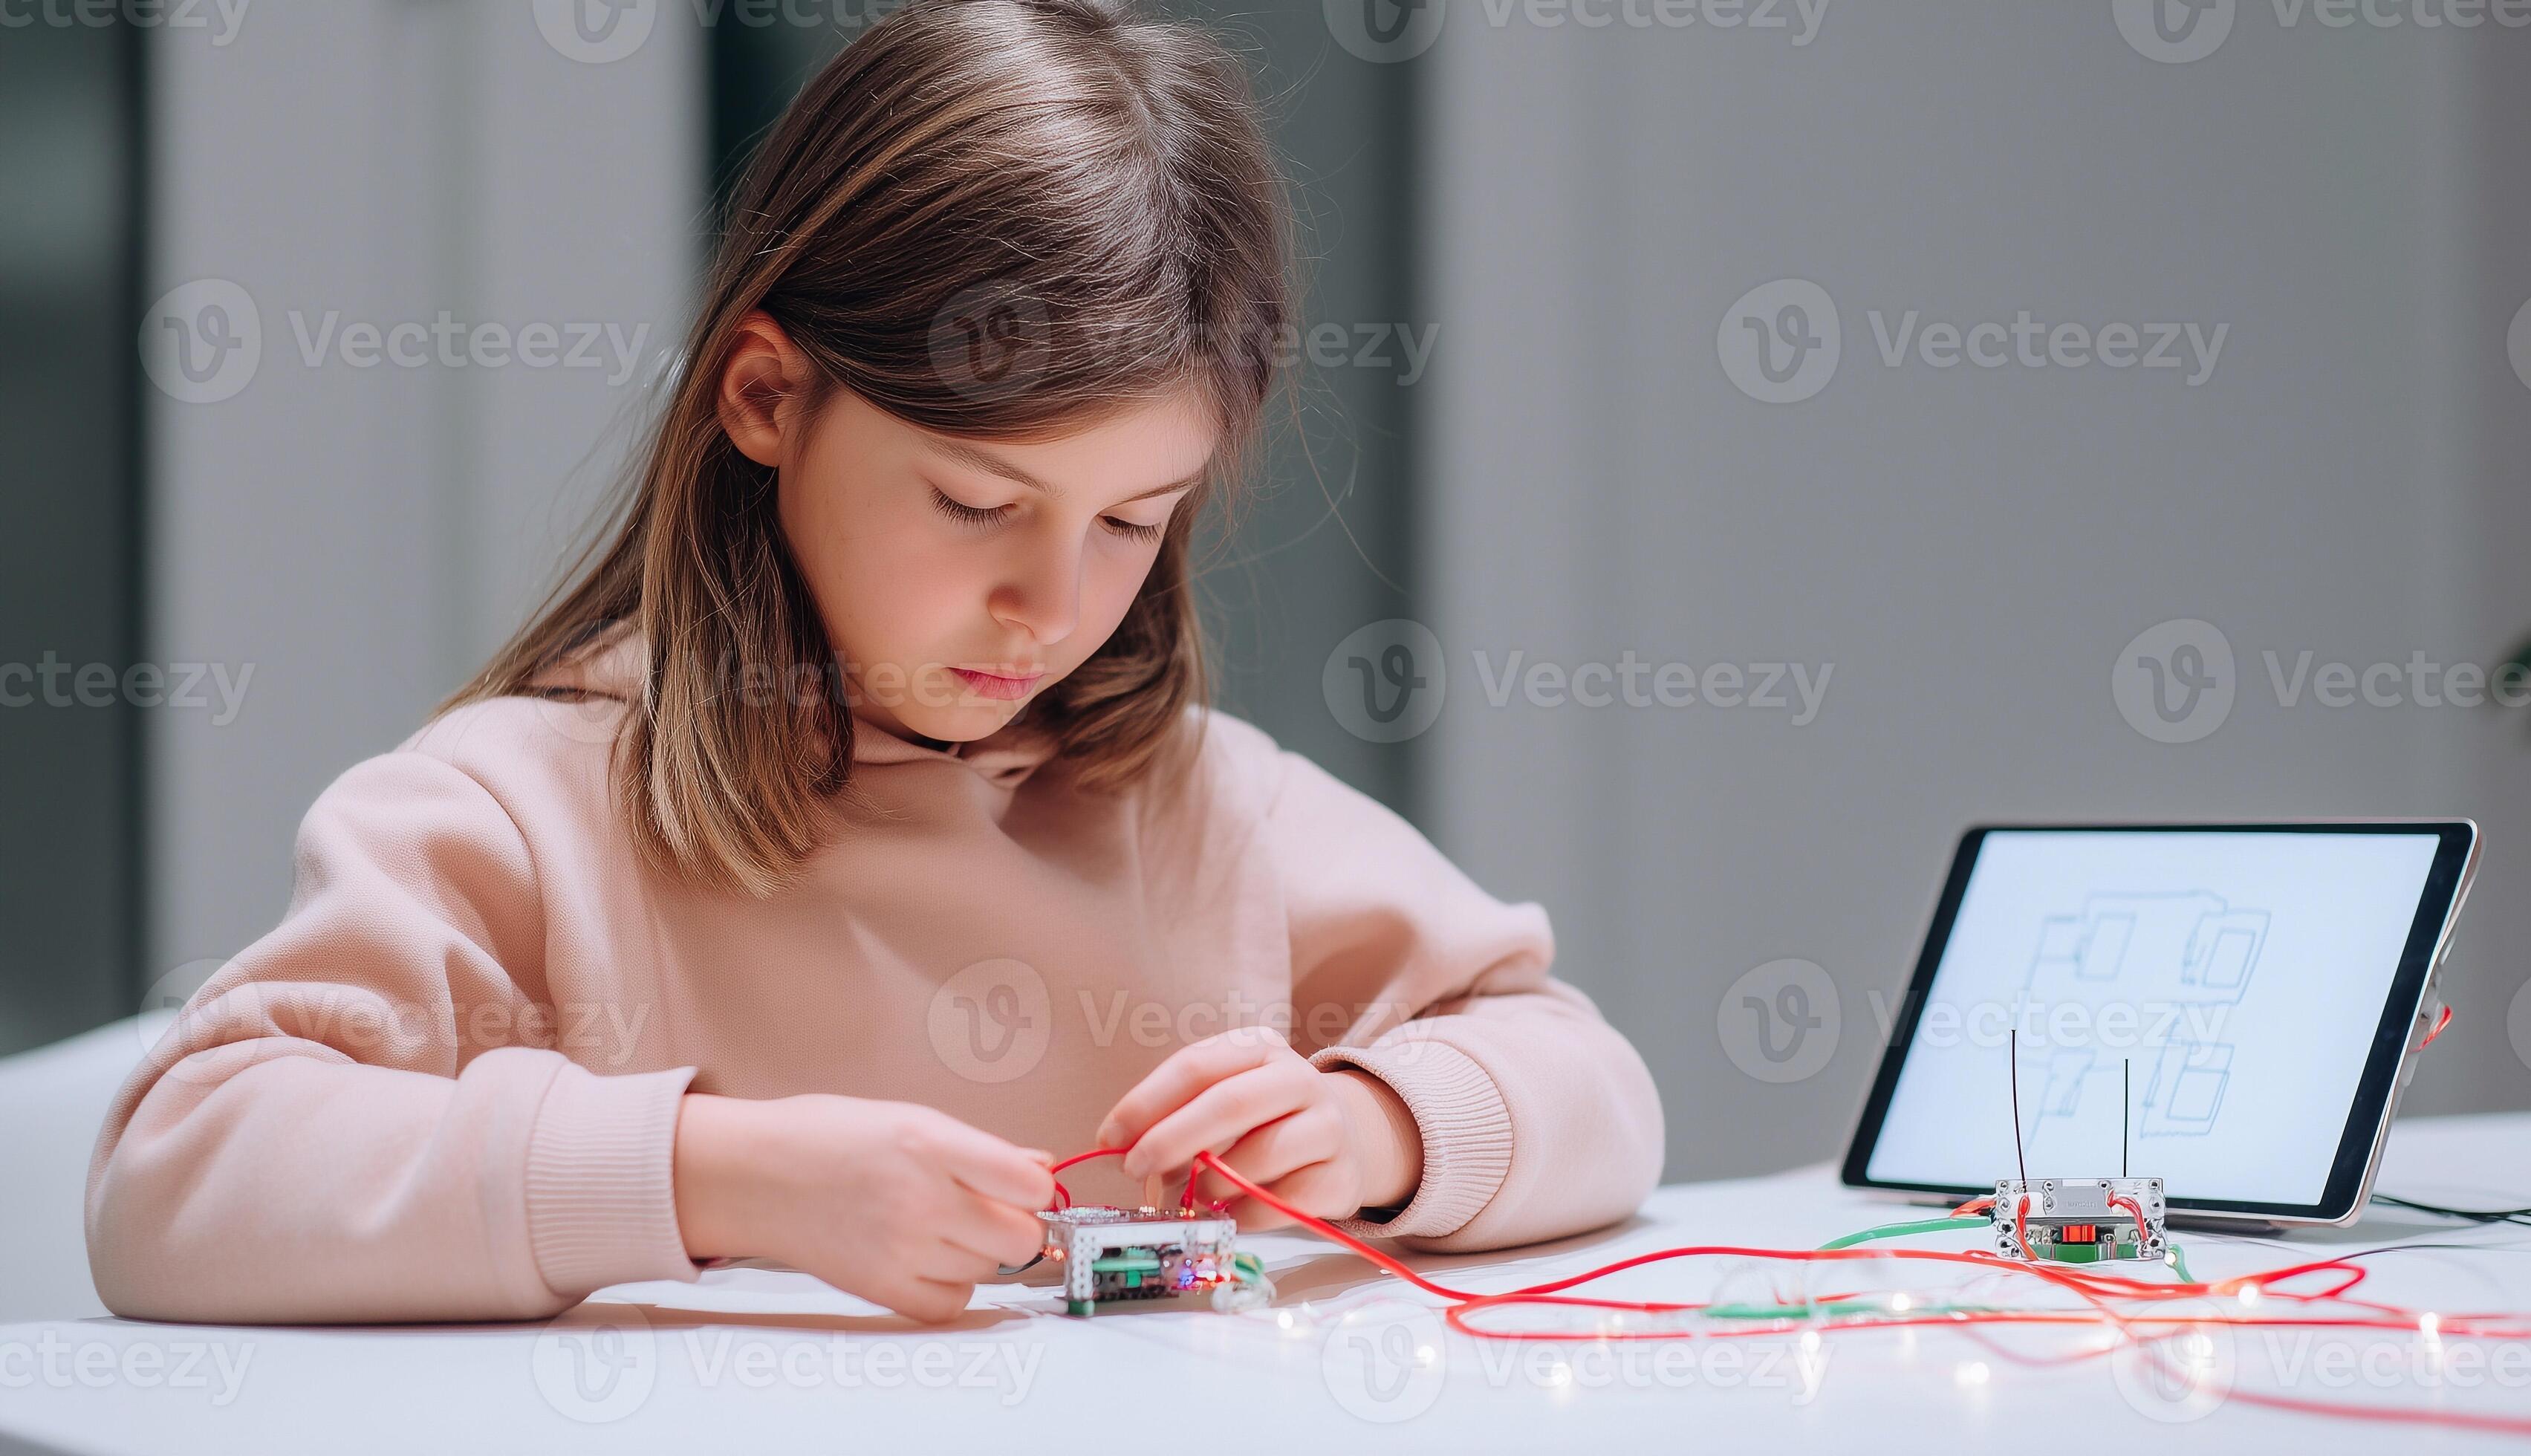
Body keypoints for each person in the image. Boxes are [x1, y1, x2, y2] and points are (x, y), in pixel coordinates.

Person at [86, 0, 1662, 1325]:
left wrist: (1374, 1124)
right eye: (979, 502)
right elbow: (177, 1181)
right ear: (767, 398)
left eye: (1131, 521)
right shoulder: (525, 809)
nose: (1048, 606)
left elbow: (1590, 1079)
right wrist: (718, 1176)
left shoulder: (1194, 805)